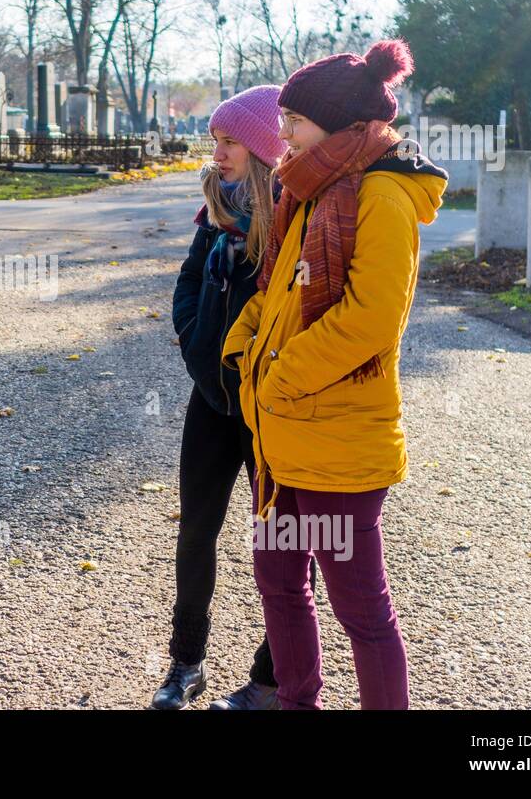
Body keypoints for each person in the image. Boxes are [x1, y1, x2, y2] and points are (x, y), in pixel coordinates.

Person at [221, 39, 448, 710]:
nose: (282, 131)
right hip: (283, 439)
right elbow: (278, 287)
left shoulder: (382, 193)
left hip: (338, 444)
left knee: (362, 613)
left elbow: (372, 318)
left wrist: (281, 375)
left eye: (293, 119)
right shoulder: (314, 189)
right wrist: (244, 344)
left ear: (339, 122)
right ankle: (296, 704)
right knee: (279, 584)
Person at [154, 85, 297, 710]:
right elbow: (188, 285)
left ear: (265, 148)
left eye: (229, 140)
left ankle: (271, 677)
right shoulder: (216, 210)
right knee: (197, 530)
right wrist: (197, 348)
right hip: (211, 402)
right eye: (214, 139)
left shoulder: (294, 221)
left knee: (284, 542)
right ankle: (186, 664)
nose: (217, 152)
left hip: (271, 412)